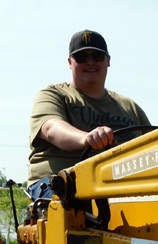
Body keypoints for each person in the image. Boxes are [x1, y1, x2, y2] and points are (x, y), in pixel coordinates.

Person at [27, 29, 151, 199]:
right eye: (82, 58)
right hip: (61, 184)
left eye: (97, 57)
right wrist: (86, 139)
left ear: (108, 60)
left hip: (120, 185)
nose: (90, 62)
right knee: (86, 206)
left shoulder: (130, 107)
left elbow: (155, 144)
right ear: (70, 62)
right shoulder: (53, 95)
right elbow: (51, 128)